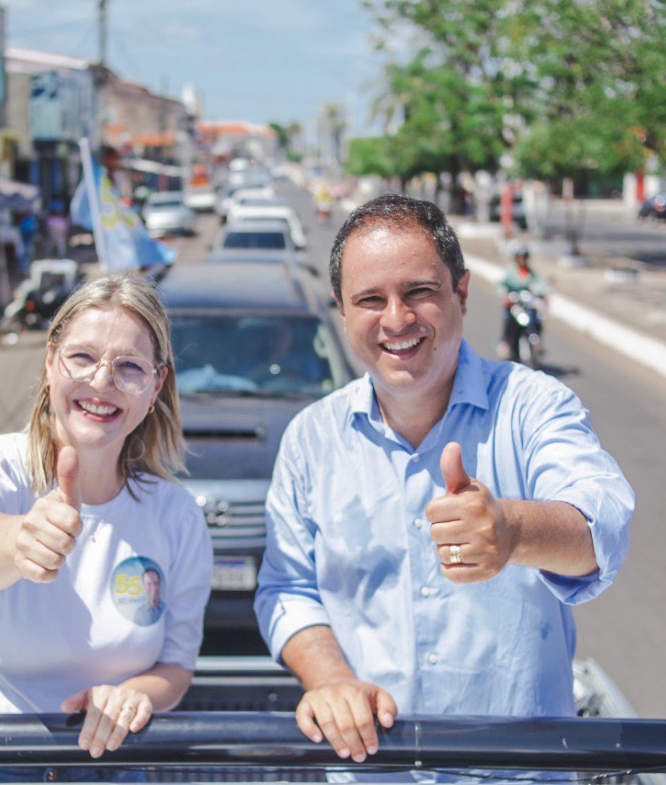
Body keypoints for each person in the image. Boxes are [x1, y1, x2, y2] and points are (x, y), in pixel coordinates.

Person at [254, 194, 634, 770]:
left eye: (419, 292)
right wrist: (329, 679)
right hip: (369, 773)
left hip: (520, 776)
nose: (397, 320)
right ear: (342, 312)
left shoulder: (533, 406)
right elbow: (287, 588)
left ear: (461, 291)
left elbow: (601, 526)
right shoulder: (310, 439)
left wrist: (513, 530)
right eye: (369, 300)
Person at [0, 273, 213, 784]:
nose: (102, 382)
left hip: (109, 771)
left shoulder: (177, 517)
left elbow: (176, 670)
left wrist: (134, 695)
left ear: (155, 386)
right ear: (51, 361)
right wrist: (19, 540)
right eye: (82, 357)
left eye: (129, 367)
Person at [497, 243, 549, 360]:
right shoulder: (511, 272)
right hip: (514, 304)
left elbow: (541, 284)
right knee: (510, 321)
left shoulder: (531, 273)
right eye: (520, 257)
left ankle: (536, 343)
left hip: (526, 304)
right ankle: (506, 343)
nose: (522, 260)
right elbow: (502, 285)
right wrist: (505, 296)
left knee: (537, 320)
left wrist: (544, 295)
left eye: (525, 257)